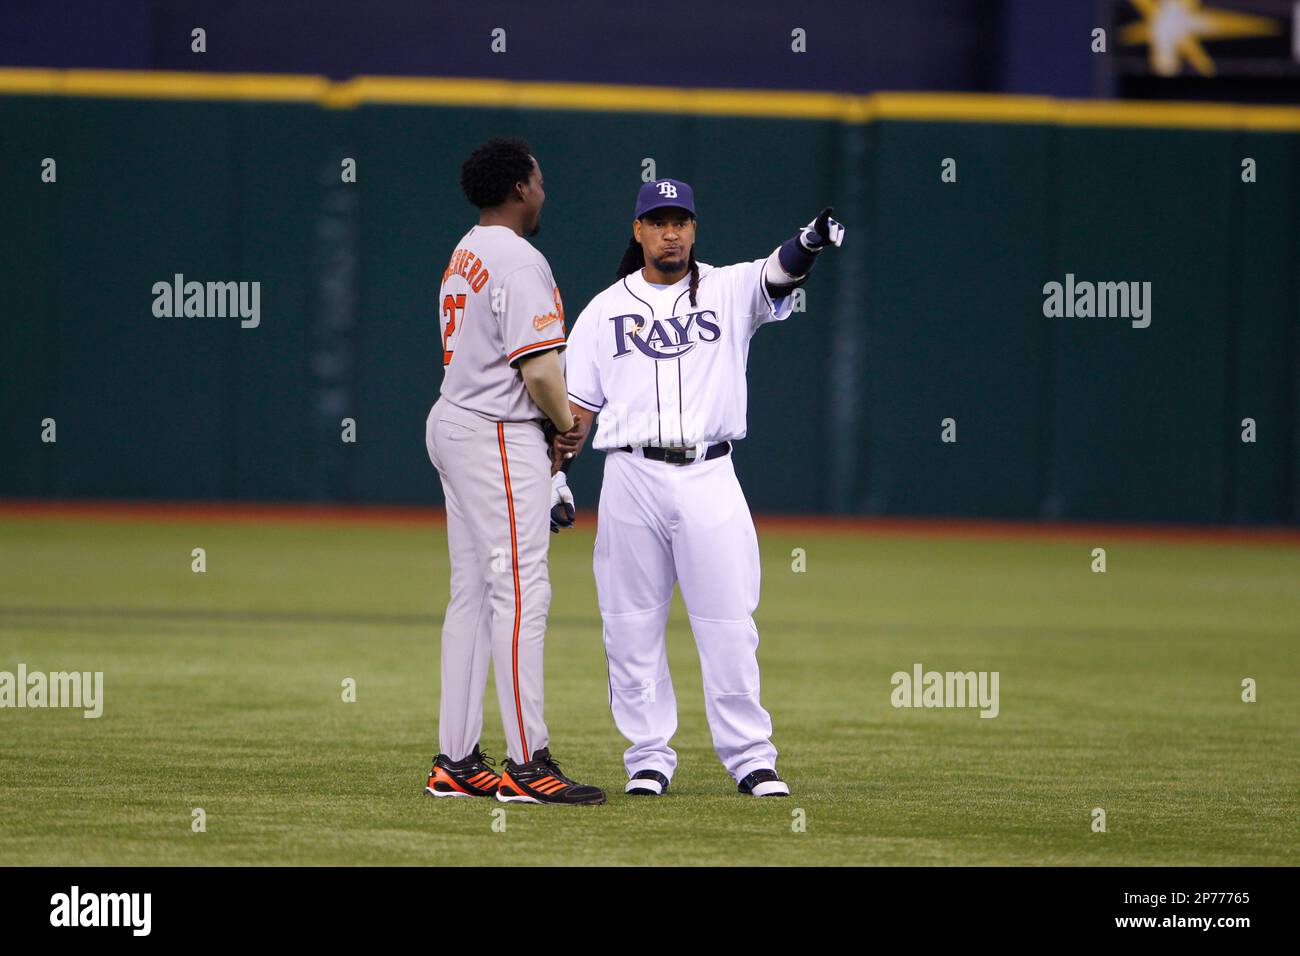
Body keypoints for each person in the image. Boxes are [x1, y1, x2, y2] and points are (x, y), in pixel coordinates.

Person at [553, 179, 844, 798]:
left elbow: (777, 273)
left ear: (693, 228)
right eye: (658, 220)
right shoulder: (604, 310)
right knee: (630, 626)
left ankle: (750, 758)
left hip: (711, 472)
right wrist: (556, 477)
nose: (671, 231)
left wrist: (810, 243)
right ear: (638, 231)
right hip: (630, 475)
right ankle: (648, 757)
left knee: (730, 622)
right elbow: (576, 413)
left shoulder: (727, 288)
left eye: (680, 219)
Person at [423, 137, 602, 805]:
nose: (544, 192)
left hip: (454, 420)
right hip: (495, 434)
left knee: (472, 593)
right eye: (539, 181)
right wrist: (565, 425)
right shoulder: (522, 261)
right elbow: (540, 370)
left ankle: (457, 759)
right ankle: (528, 765)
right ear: (520, 187)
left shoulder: (468, 248)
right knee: (522, 591)